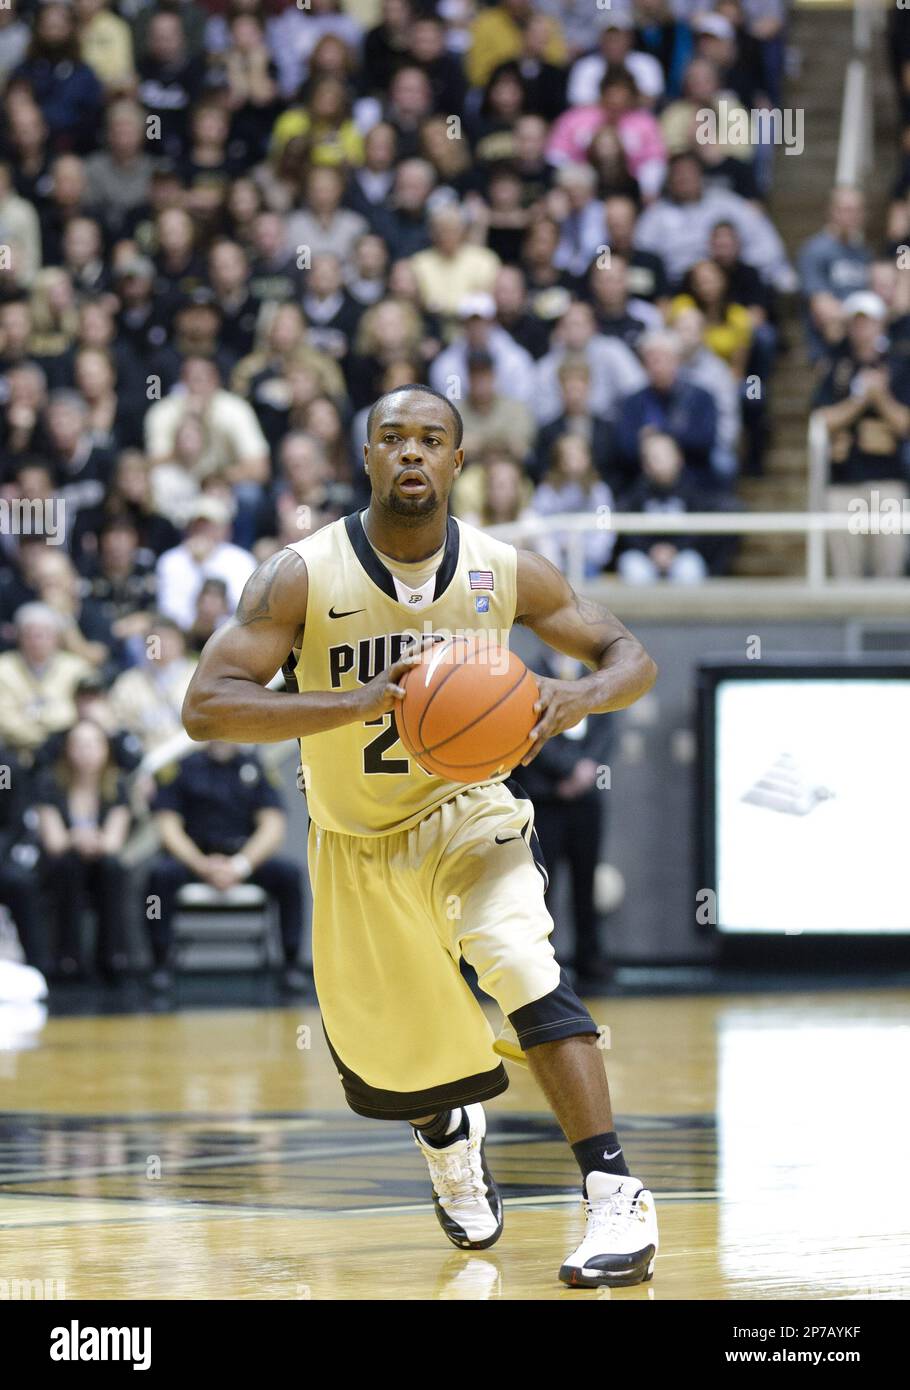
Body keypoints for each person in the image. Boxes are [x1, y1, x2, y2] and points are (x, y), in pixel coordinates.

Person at [182, 383, 660, 1288]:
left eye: (429, 439)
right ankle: (448, 1136)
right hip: (354, 840)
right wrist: (355, 704)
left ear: (456, 460)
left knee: (525, 965)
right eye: (391, 438)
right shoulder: (300, 574)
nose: (410, 453)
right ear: (365, 457)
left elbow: (629, 656)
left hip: (470, 815)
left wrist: (576, 697)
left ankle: (615, 1196)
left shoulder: (502, 568)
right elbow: (206, 707)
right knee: (403, 1061)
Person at [146, 740, 307, 994]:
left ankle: (290, 965)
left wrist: (239, 865)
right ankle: (160, 963)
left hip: (243, 859)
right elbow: (168, 827)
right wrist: (201, 865)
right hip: (194, 858)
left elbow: (273, 826)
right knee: (158, 880)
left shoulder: (255, 767)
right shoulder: (181, 768)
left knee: (289, 875)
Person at [517, 650, 616, 988]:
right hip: (547, 797)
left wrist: (588, 767)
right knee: (544, 883)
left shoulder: (591, 676)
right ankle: (544, 962)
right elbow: (528, 730)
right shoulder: (531, 673)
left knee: (586, 880)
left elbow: (606, 726)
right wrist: (567, 769)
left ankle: (590, 958)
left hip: (586, 799)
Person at [35, 718, 131, 980]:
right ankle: (68, 957)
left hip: (100, 863)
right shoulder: (49, 783)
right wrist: (79, 837)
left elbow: (113, 842)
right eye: (79, 744)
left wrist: (87, 839)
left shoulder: (118, 784)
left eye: (93, 744)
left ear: (105, 750)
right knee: (68, 865)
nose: (86, 751)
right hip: (63, 865)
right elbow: (54, 842)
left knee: (113, 868)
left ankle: (113, 956)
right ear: (67, 749)